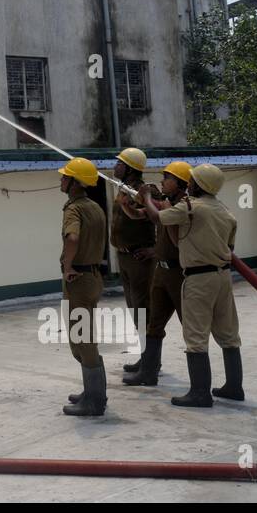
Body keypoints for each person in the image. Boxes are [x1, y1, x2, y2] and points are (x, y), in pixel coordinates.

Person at [139, 163, 244, 407]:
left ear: (197, 185)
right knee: (228, 334)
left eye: (192, 181)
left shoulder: (190, 207)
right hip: (223, 277)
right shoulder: (226, 211)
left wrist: (145, 196)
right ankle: (234, 387)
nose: (189, 184)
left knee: (196, 336)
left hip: (199, 278)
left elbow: (157, 218)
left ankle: (200, 393)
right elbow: (230, 248)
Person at [121, 161, 190, 387]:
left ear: (180, 183)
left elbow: (157, 214)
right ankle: (148, 372)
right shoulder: (168, 202)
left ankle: (198, 383)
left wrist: (148, 197)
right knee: (154, 324)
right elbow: (142, 214)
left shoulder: (184, 205)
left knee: (190, 327)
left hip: (178, 273)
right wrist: (127, 205)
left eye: (167, 177)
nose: (162, 180)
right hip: (161, 271)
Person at [58, 157, 109, 417]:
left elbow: (73, 237)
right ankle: (93, 392)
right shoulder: (96, 207)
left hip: (78, 280)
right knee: (83, 337)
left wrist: (67, 266)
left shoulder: (74, 209)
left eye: (65, 177)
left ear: (75, 183)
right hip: (93, 277)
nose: (61, 179)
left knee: (82, 339)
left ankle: (95, 400)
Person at [109, 148, 154, 373]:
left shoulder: (145, 192)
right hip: (124, 256)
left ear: (129, 168)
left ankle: (150, 361)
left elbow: (160, 219)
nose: (115, 166)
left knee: (143, 310)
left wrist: (154, 249)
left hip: (139, 258)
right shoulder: (123, 189)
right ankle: (145, 357)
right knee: (135, 310)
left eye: (119, 163)